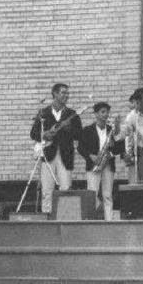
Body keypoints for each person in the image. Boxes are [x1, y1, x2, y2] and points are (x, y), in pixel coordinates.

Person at [29, 83, 82, 213]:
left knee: (66, 190)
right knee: (47, 191)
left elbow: (79, 134)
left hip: (66, 156)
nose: (66, 95)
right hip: (47, 155)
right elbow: (33, 134)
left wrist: (69, 128)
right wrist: (45, 134)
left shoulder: (72, 114)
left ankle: (65, 219)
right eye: (63, 93)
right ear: (55, 94)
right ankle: (47, 221)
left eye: (67, 93)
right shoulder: (43, 113)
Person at [77, 103, 124, 220]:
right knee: (92, 194)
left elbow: (120, 148)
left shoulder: (111, 130)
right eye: (103, 112)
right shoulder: (87, 130)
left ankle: (109, 221)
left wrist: (114, 146)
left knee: (107, 195)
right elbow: (80, 147)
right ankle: (91, 220)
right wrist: (90, 156)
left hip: (108, 165)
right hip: (93, 165)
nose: (106, 115)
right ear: (96, 114)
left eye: (107, 112)